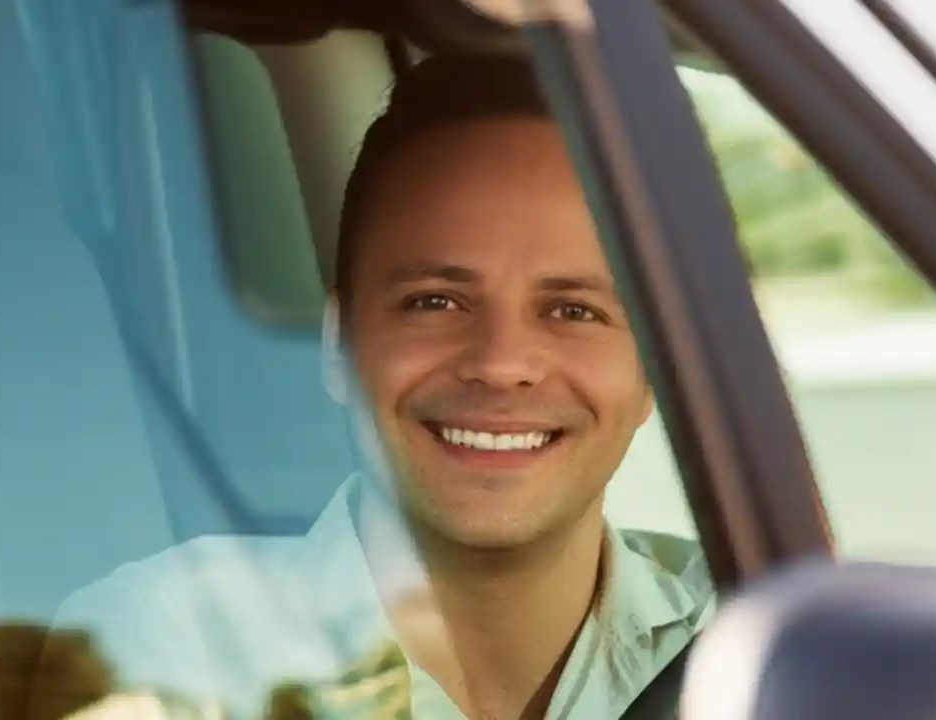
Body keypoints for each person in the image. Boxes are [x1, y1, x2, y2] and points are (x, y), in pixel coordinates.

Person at [38, 54, 712, 720]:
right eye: (435, 302)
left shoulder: (746, 632)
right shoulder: (169, 647)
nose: (502, 362)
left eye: (574, 311)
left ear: (655, 369)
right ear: (338, 342)